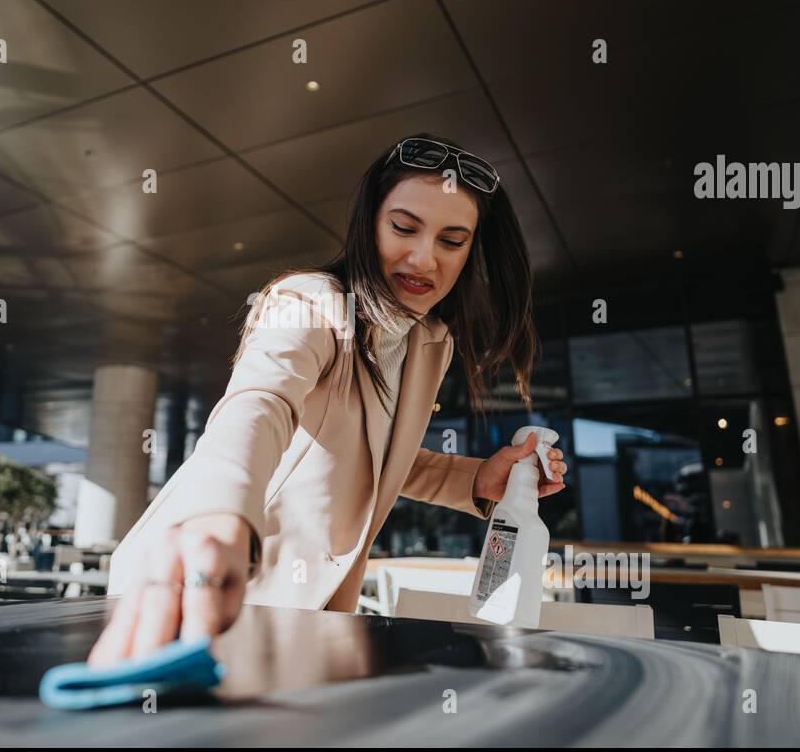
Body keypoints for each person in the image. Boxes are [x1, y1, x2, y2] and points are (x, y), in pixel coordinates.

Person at [88, 133, 568, 665]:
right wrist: (219, 514)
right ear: (369, 223)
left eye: (452, 241)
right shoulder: (309, 301)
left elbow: (376, 461)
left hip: (304, 622)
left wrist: (477, 481)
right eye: (404, 227)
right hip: (199, 591)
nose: (422, 257)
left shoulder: (430, 342)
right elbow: (259, 403)